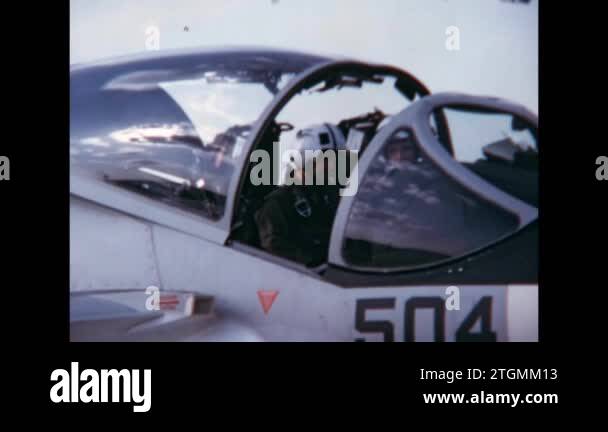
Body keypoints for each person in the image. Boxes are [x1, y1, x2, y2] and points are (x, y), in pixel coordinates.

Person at [254, 123, 345, 266]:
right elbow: (275, 251)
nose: (332, 166)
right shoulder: (277, 204)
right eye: (326, 160)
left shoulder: (331, 195)